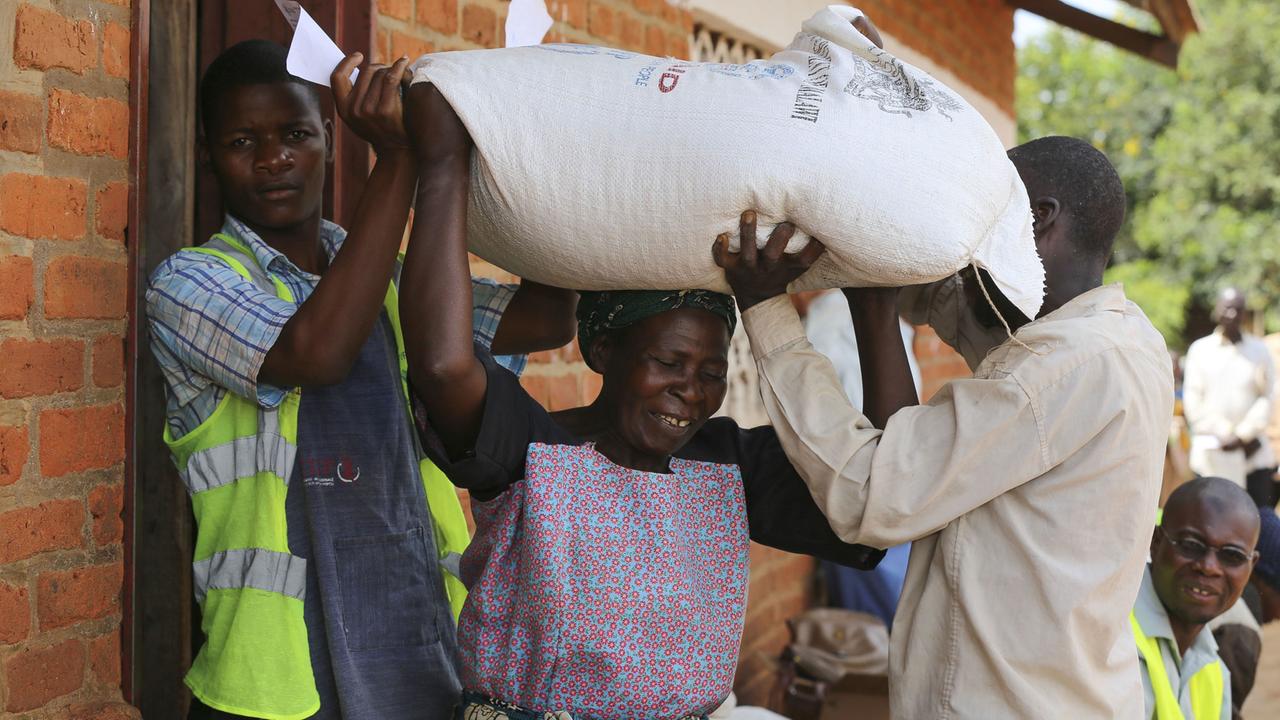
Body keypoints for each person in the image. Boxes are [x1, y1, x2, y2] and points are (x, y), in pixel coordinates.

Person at [397, 81, 882, 720]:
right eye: (668, 362)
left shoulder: (726, 463)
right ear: (605, 354)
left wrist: (874, 308)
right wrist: (440, 168)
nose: (693, 390)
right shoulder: (535, 449)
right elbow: (440, 363)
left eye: (712, 370)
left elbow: (880, 499)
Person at [145, 42, 575, 719]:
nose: (273, 159)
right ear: (206, 155)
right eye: (241, 141)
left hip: (420, 654)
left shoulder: (391, 277)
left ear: (329, 141)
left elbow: (546, 316)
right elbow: (317, 353)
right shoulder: (189, 284)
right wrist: (403, 162)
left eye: (295, 134)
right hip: (272, 684)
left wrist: (513, 144)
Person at [714, 136, 1174, 717]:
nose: (975, 228)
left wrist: (764, 305)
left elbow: (872, 492)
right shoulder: (1126, 339)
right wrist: (883, 253)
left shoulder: (1055, 373)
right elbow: (964, 324)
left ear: (1039, 218)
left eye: (989, 208)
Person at [1135, 477, 1261, 720]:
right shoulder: (1109, 636)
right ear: (1155, 542)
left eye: (1232, 555)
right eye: (1191, 544)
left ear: (1251, 566)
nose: (1209, 567)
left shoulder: (1214, 672)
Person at [1184, 288, 1277, 507]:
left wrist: (1244, 435)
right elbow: (1194, 401)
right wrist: (1227, 434)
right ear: (1216, 310)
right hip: (1214, 454)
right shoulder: (1200, 350)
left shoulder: (1259, 350)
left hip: (1252, 455)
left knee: (1260, 524)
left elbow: (1267, 396)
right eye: (1227, 308)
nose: (1233, 314)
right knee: (1214, 523)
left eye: (1238, 309)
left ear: (1245, 313)